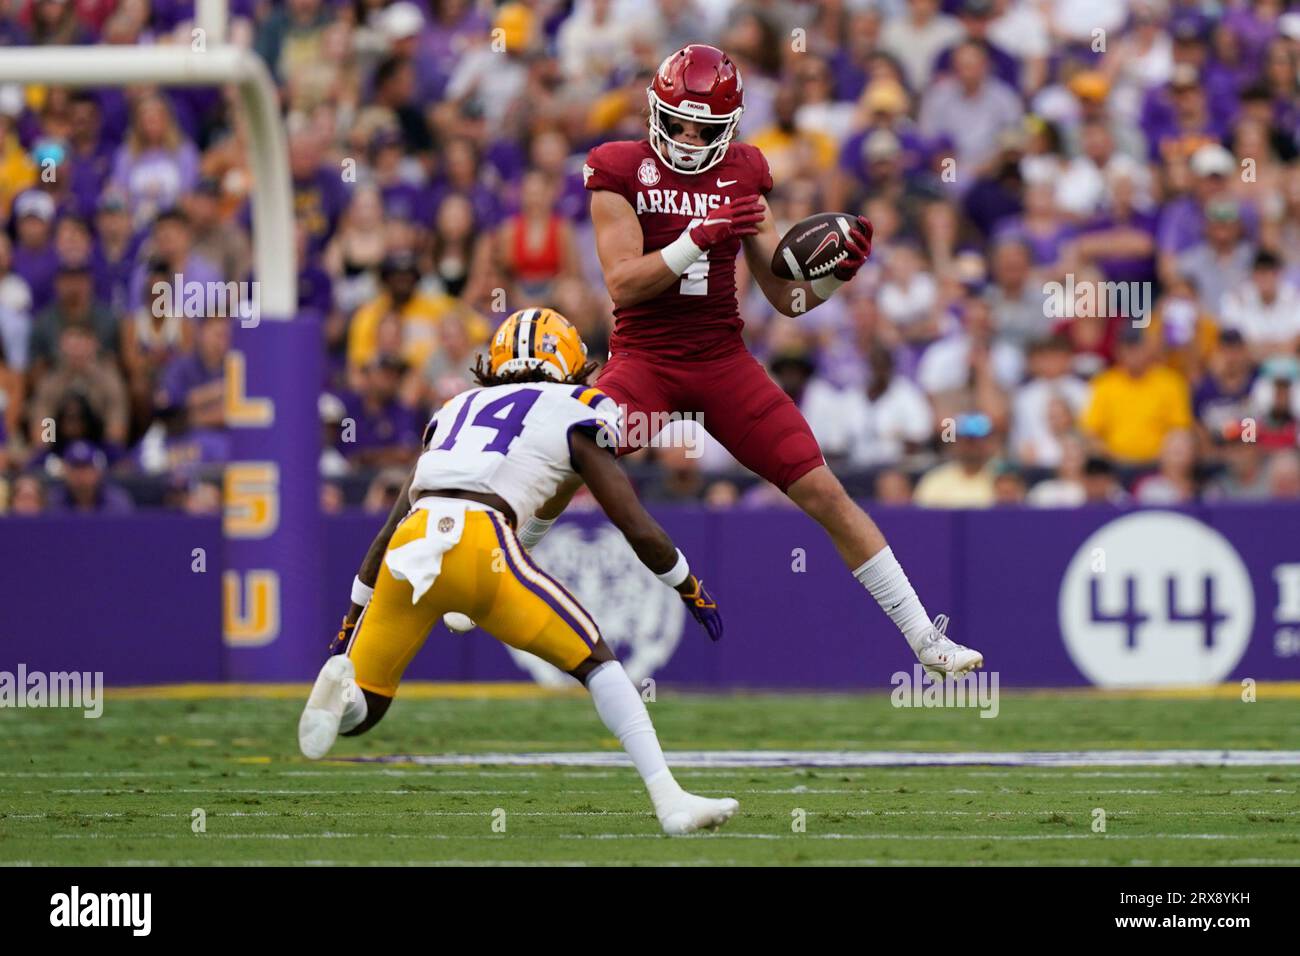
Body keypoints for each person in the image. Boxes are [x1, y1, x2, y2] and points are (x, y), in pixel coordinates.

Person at [533, 44, 983, 678]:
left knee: (822, 488)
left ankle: (924, 638)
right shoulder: (620, 167)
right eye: (680, 123)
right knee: (574, 450)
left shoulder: (744, 171)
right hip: (646, 361)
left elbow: (786, 298)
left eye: (705, 129)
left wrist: (832, 276)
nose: (690, 139)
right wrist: (701, 235)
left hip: (722, 363)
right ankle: (503, 558)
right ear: (656, 112)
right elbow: (624, 285)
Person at [299, 308, 738, 836]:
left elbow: (383, 537)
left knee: (364, 708)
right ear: (570, 360)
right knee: (597, 662)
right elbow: (635, 524)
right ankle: (670, 800)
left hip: (410, 544)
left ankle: (341, 696)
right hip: (479, 540)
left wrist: (350, 624)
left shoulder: (454, 410)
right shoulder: (575, 409)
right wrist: (688, 586)